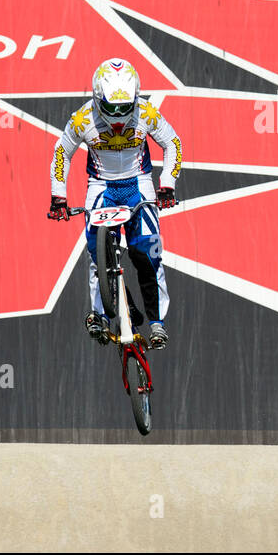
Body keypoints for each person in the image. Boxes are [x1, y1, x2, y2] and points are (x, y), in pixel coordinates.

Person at [48, 58, 181, 349]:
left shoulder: (145, 111)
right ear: (98, 98)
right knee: (97, 254)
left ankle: (157, 321)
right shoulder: (83, 118)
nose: (119, 116)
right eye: (111, 108)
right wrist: (58, 195)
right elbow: (62, 152)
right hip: (101, 186)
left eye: (124, 108)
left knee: (148, 252)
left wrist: (167, 184)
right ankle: (99, 313)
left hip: (139, 183)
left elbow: (173, 142)